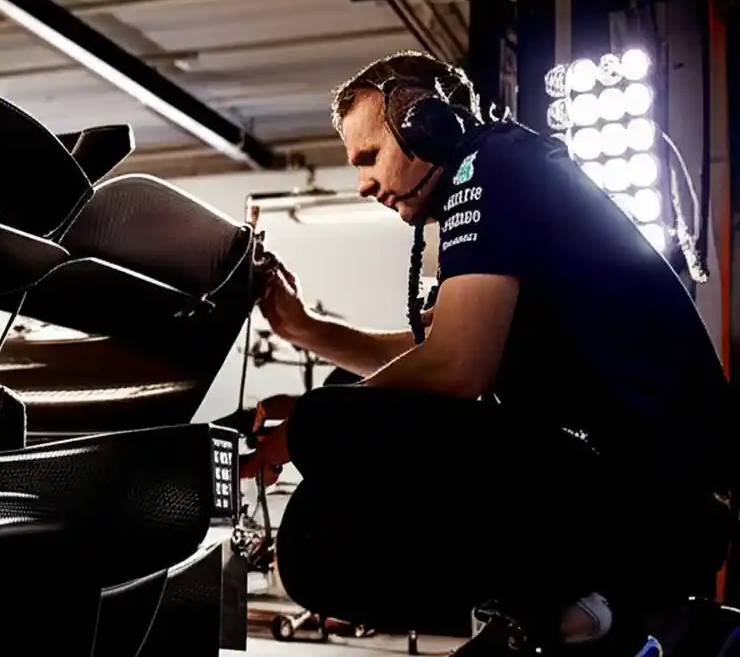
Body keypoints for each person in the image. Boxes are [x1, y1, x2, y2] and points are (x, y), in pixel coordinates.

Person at [240, 50, 732, 653]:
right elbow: (447, 352)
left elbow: (455, 367)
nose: (363, 182)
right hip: (645, 498)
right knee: (336, 439)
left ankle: (586, 605)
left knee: (319, 525)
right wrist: (307, 330)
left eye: (369, 156)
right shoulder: (503, 169)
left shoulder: (490, 165)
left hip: (655, 505)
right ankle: (571, 613)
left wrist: (309, 427)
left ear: (423, 124)